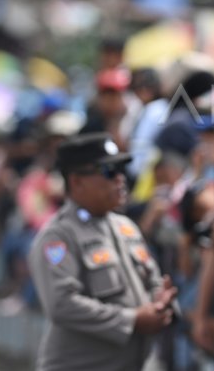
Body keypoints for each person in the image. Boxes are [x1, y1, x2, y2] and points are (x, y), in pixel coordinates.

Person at [28, 132, 177, 371]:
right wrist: (133, 320)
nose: (120, 179)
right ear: (77, 181)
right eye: (109, 172)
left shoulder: (125, 227)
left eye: (121, 171)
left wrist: (161, 303)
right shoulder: (59, 236)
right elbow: (62, 304)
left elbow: (153, 281)